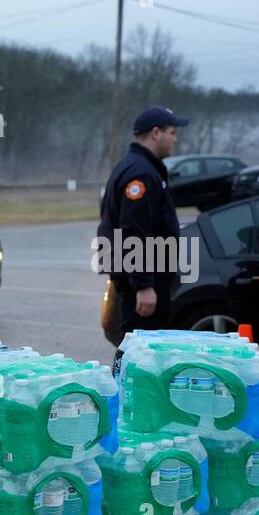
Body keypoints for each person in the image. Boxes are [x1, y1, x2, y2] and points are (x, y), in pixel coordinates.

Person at [98, 106, 189, 344]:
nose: (175, 139)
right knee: (140, 354)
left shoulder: (135, 166)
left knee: (136, 350)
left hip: (139, 277)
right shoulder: (142, 174)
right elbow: (134, 232)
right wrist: (144, 286)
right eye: (172, 132)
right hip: (144, 282)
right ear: (156, 133)